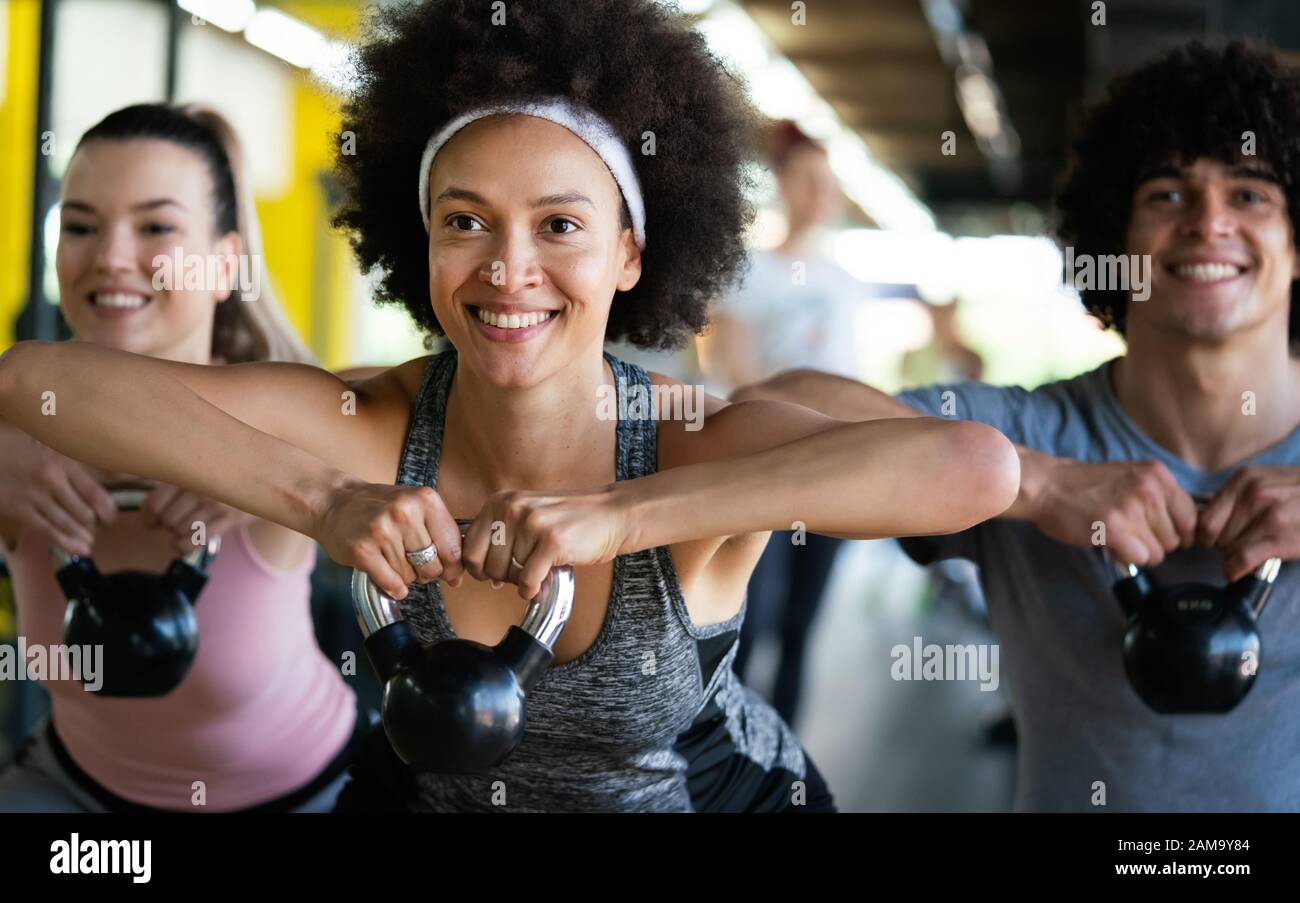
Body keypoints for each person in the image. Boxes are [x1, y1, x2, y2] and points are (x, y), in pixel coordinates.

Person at [0, 0, 1019, 813]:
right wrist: (322, 502)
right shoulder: (376, 424)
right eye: (465, 221)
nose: (508, 269)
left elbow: (975, 470)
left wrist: (620, 516)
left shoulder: (687, 439)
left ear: (630, 252)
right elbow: (37, 385)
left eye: (560, 224)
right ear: (424, 241)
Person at [733, 41, 1300, 811]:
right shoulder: (1024, 432)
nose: (1208, 222)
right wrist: (1034, 482)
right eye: (1167, 194)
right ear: (1115, 239)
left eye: (1251, 194)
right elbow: (768, 413)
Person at [0, 104, 371, 813]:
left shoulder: (289, 420)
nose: (110, 256)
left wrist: (283, 472)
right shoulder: (16, 424)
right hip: (79, 794)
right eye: (79, 226)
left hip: (308, 793)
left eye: (156, 228)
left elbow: (444, 419)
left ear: (226, 261)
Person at [708, 120, 871, 725]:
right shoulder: (748, 272)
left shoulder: (845, 282)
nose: (819, 193)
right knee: (751, 619)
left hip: (835, 468)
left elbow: (850, 379)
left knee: (802, 627)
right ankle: (732, 750)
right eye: (807, 179)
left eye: (827, 181)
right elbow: (736, 369)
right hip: (766, 467)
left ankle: (784, 770)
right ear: (781, 184)